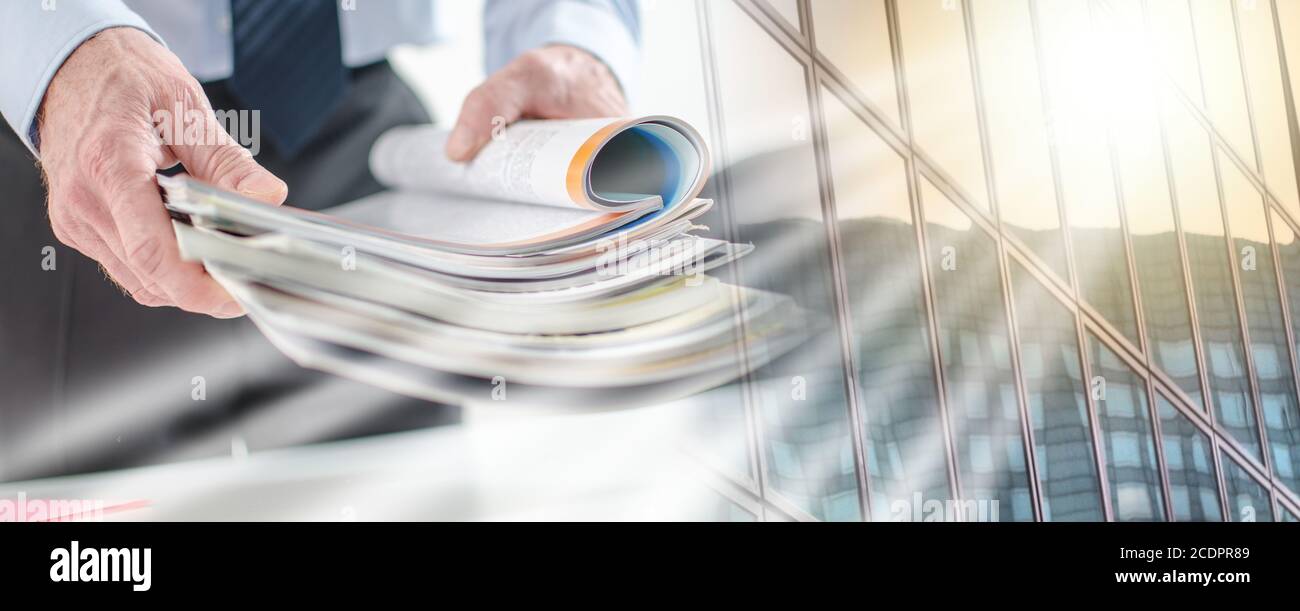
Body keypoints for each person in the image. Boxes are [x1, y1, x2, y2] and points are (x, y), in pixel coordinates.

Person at [0, 0, 640, 481]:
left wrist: (572, 34)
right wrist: (57, 39)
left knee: (399, 494)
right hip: (73, 138)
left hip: (369, 144)